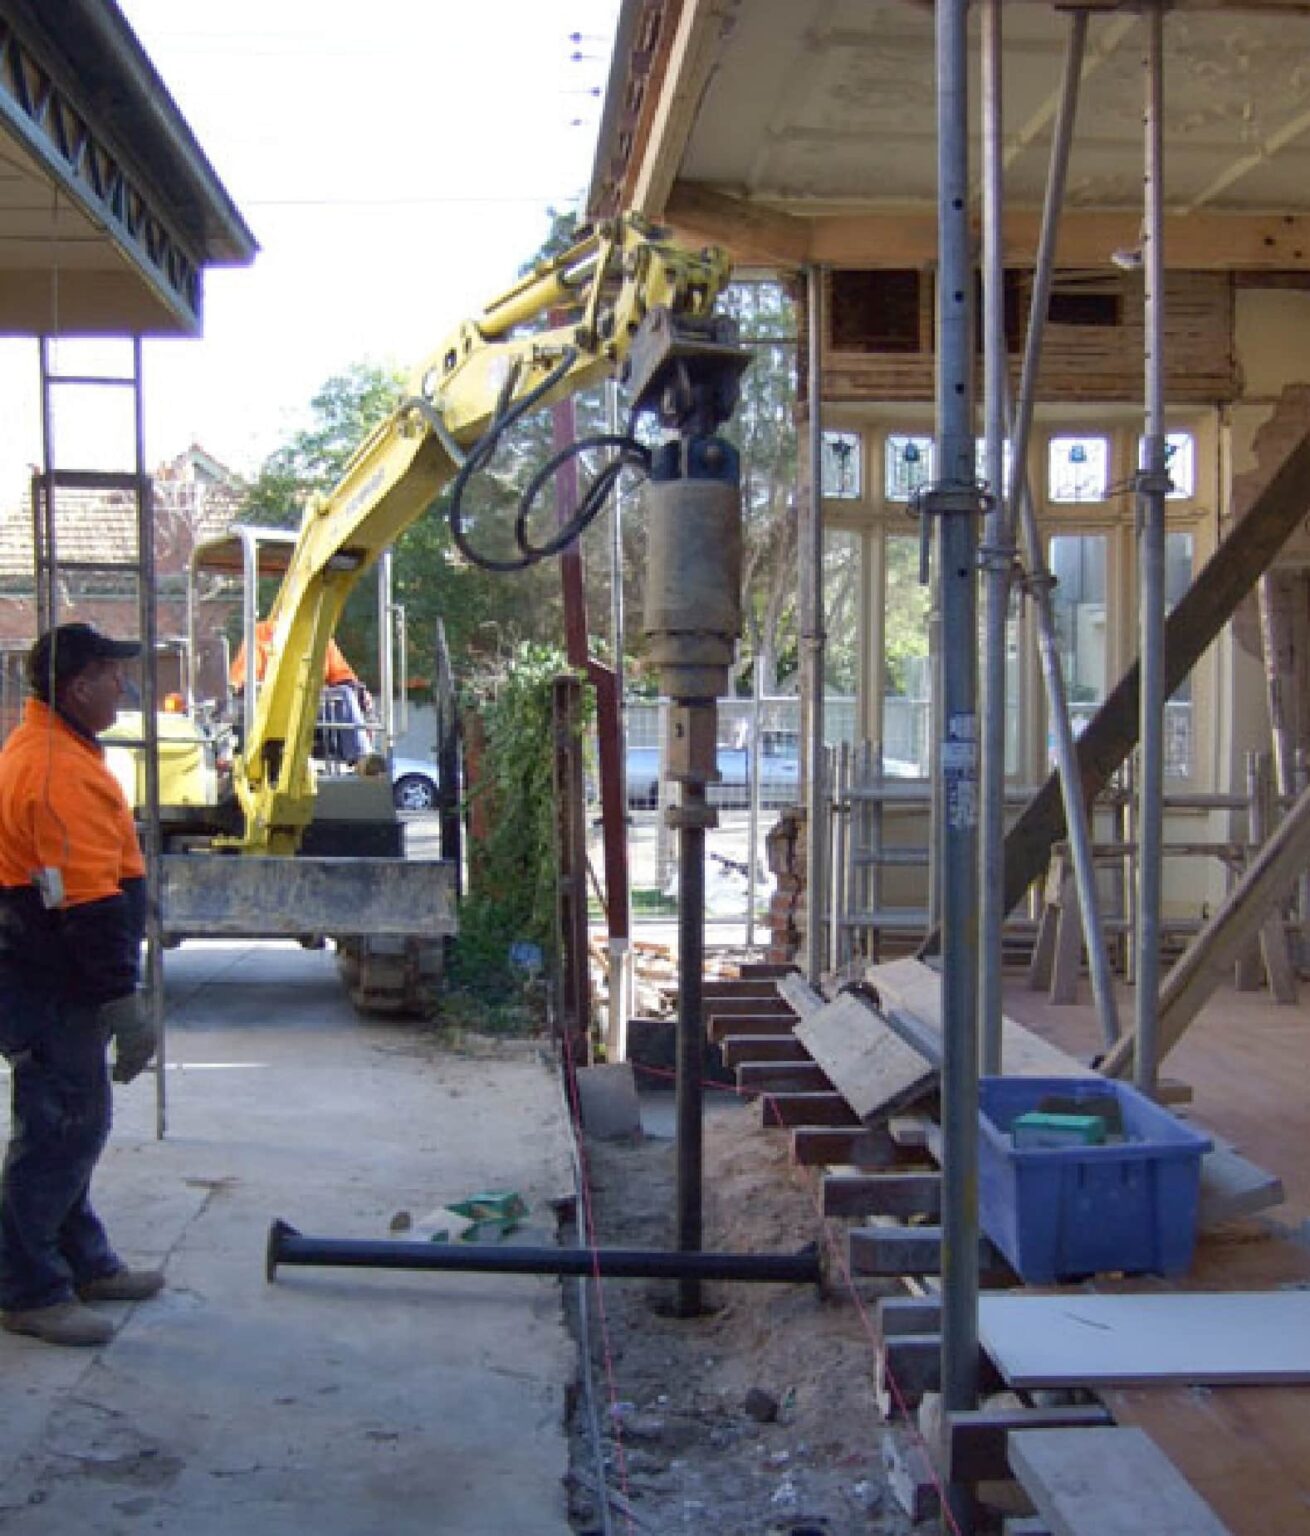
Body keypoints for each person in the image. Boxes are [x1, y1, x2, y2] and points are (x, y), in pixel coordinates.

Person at [0, 623, 162, 1348]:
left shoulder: (60, 751)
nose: (123, 687)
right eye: (111, 674)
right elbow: (89, 905)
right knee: (62, 1129)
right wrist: (123, 1004)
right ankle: (28, 1290)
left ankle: (82, 1262)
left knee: (70, 1124)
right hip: (48, 982)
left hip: (51, 975)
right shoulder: (54, 772)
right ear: (77, 687)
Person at [229, 618, 374, 762]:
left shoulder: (320, 637)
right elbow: (243, 674)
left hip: (313, 707)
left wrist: (359, 692)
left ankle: (363, 759)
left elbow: (342, 675)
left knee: (345, 694)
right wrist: (238, 686)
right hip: (273, 708)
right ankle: (361, 755)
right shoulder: (261, 634)